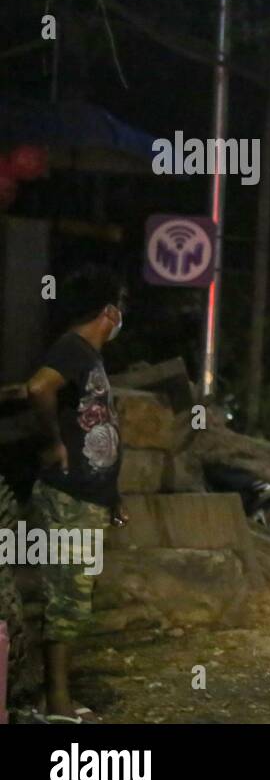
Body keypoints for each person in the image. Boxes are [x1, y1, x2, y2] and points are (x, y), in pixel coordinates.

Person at [25, 265, 127, 723]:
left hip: (90, 495)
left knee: (76, 598)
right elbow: (39, 386)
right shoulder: (73, 348)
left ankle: (58, 698)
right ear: (109, 311)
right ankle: (57, 705)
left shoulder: (91, 357)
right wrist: (52, 442)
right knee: (66, 599)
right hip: (68, 495)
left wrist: (113, 495)